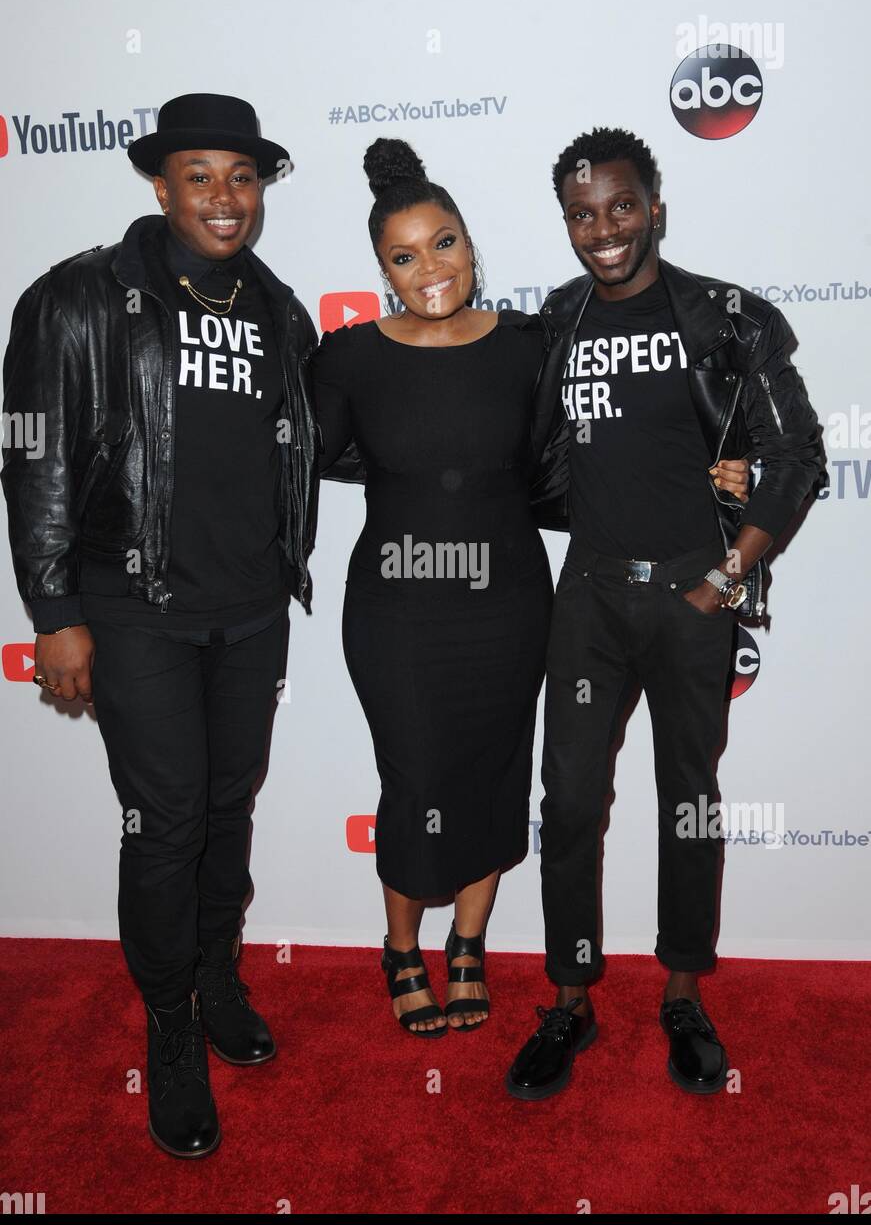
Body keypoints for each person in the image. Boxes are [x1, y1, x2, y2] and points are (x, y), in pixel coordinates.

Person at [313, 137, 749, 1039]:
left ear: (472, 247)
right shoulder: (348, 357)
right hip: (396, 611)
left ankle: (467, 946)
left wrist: (716, 478)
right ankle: (402, 949)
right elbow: (297, 461)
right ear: (380, 270)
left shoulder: (528, 342)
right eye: (402, 255)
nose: (427, 268)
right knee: (414, 776)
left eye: (443, 244)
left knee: (501, 770)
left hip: (511, 603)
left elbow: (588, 447)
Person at [1, 93, 318, 1157]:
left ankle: (220, 979)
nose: (225, 197)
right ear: (158, 182)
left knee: (230, 807)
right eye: (200, 174)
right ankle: (169, 1023)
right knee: (168, 818)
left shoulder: (280, 312)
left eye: (243, 176)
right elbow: (34, 456)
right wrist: (53, 614)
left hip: (251, 610)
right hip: (133, 610)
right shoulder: (80, 298)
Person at [505, 127, 826, 1101]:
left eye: (618, 207)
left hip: (695, 589)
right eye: (580, 213)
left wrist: (728, 576)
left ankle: (681, 991)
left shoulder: (723, 318)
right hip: (591, 592)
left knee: (687, 795)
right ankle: (569, 995)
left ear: (654, 207)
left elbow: (798, 457)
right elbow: (513, 445)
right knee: (567, 803)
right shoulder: (555, 323)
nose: (601, 229)